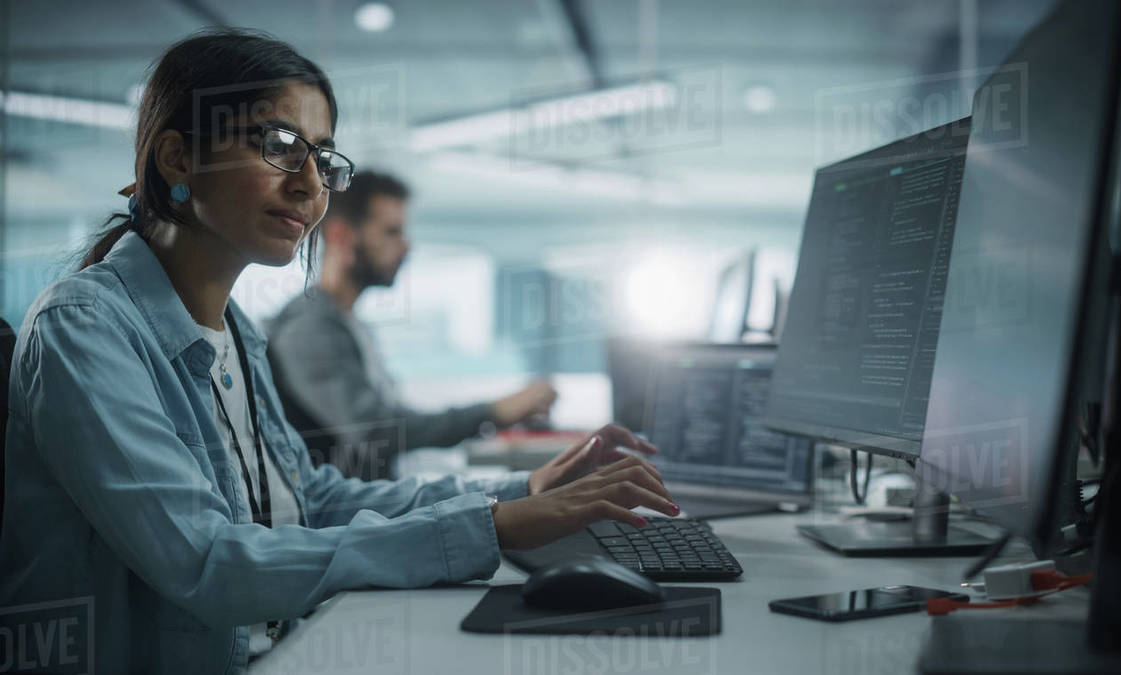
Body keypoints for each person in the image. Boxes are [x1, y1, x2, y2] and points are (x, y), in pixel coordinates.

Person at [0, 30, 677, 673]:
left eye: (322, 158)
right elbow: (208, 561)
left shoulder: (235, 328)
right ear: (178, 158)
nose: (310, 184)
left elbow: (311, 499)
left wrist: (516, 490)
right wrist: (490, 527)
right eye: (278, 145)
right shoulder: (83, 328)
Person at [266, 171, 556, 481]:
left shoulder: (351, 324)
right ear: (341, 236)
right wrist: (494, 412)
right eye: (391, 232)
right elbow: (376, 430)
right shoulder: (310, 329)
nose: (405, 247)